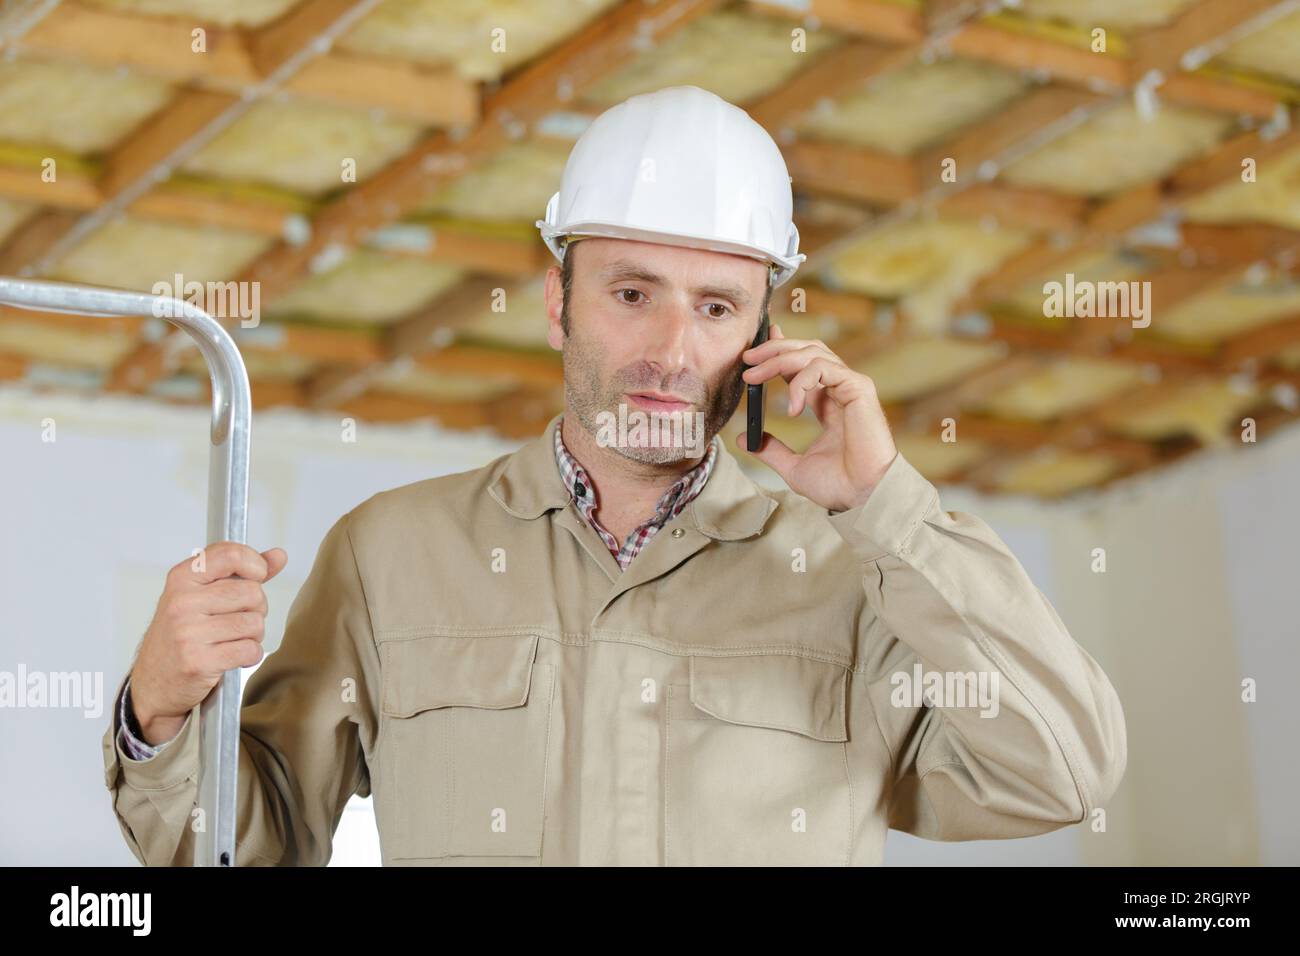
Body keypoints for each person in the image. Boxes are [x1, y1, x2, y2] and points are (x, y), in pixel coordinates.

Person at [103, 85, 1126, 866]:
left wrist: (886, 508)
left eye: (717, 306)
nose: (671, 350)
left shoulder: (857, 575)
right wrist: (158, 710)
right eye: (632, 291)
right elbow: (243, 844)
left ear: (764, 333)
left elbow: (1062, 772)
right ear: (559, 304)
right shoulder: (391, 551)